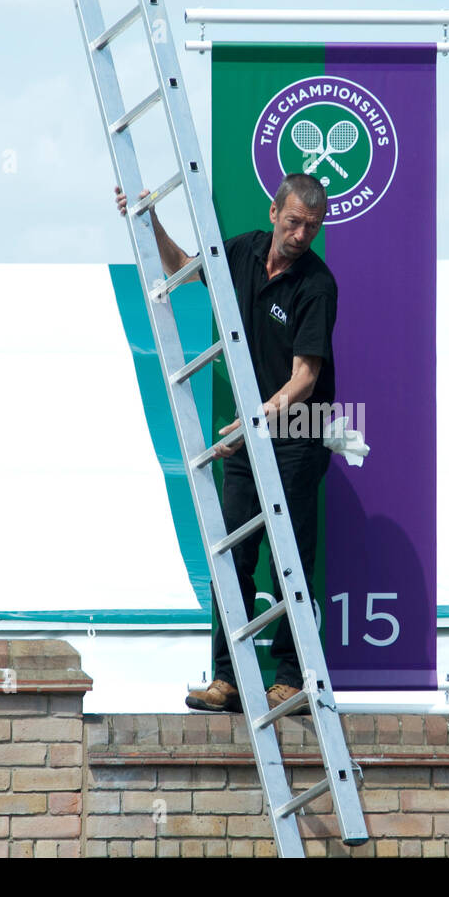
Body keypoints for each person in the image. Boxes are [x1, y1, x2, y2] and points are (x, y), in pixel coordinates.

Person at [114, 173, 337, 714]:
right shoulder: (242, 251)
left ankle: (294, 678)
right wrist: (149, 221)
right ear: (273, 212)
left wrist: (256, 421)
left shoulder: (318, 284)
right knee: (233, 555)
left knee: (290, 559)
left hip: (297, 436)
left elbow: (304, 378)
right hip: (247, 436)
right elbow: (182, 270)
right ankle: (229, 679)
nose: (301, 234)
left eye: (311, 226)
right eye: (293, 221)